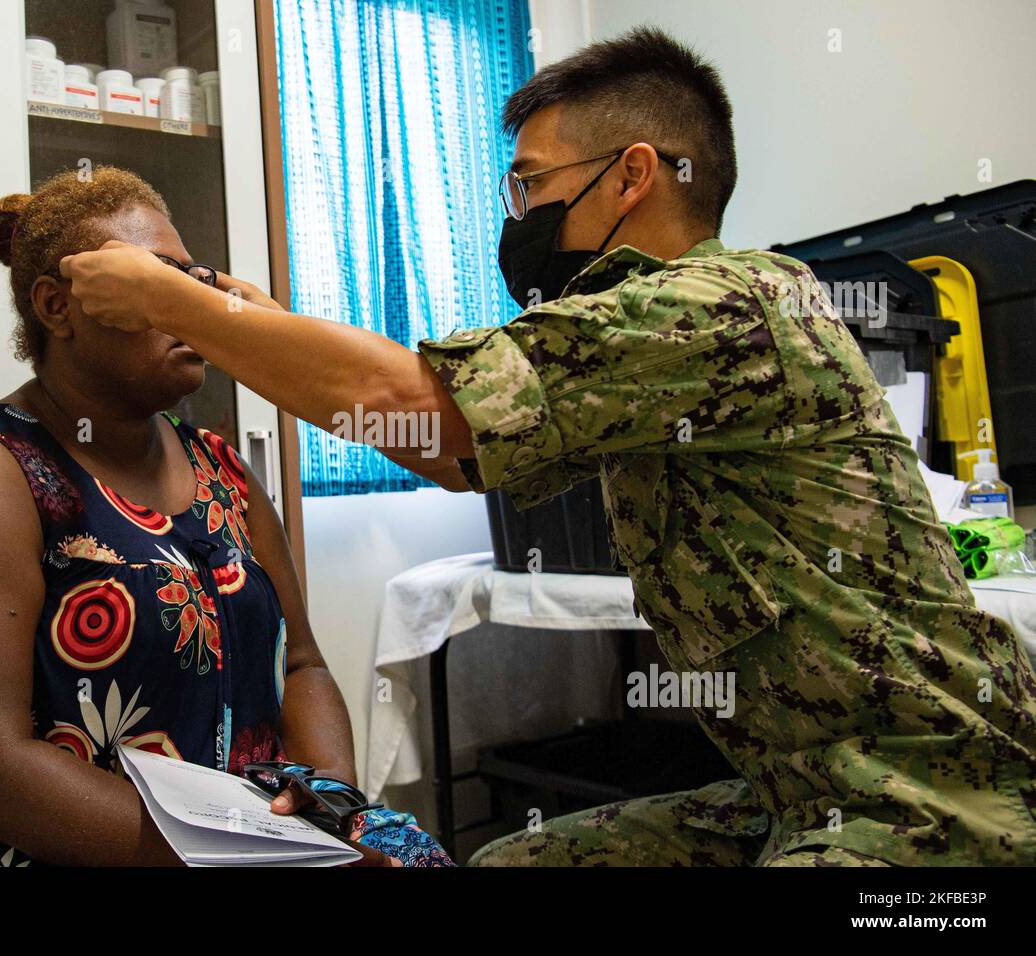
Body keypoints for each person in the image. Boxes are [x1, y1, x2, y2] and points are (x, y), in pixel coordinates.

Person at [57, 27, 1036, 866]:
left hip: (926, 797)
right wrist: (256, 326)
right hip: (802, 786)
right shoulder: (658, 342)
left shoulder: (719, 304)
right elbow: (451, 450)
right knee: (518, 855)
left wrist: (169, 299)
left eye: (529, 182)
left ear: (632, 173)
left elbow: (426, 406)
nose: (516, 215)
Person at [0, 166, 451, 867]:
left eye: (192, 282)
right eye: (154, 285)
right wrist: (235, 859)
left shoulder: (221, 469)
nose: (189, 306)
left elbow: (302, 667)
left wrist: (330, 813)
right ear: (57, 308)